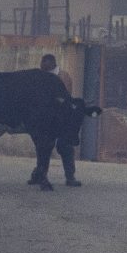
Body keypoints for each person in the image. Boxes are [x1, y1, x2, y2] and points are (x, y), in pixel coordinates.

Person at [38, 53, 83, 187]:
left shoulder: (63, 76)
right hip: (47, 116)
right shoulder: (42, 76)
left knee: (65, 146)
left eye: (44, 64)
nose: (42, 67)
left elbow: (66, 97)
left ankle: (70, 177)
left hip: (62, 116)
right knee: (43, 146)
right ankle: (40, 174)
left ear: (51, 63)